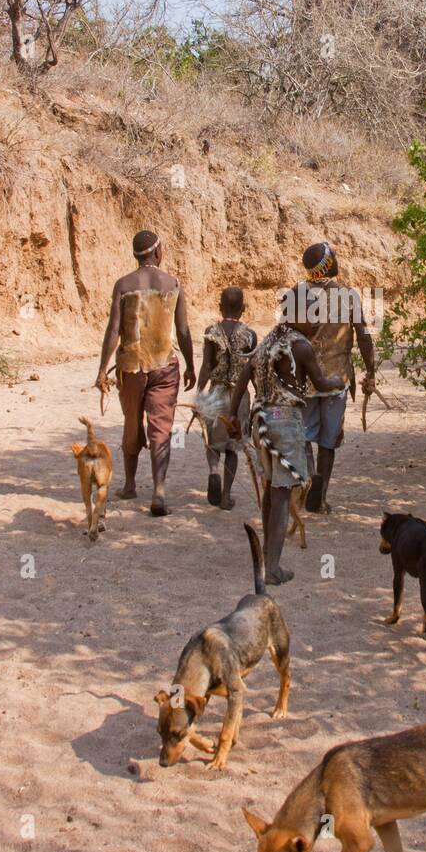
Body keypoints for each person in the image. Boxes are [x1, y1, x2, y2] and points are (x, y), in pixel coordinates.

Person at [228, 300, 342, 586]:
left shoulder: (269, 341)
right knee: (281, 494)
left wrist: (232, 415)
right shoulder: (301, 347)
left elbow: (243, 378)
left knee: (271, 488)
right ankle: (272, 568)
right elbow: (320, 383)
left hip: (261, 419)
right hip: (284, 422)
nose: (317, 321)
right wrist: (337, 381)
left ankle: (268, 557)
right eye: (312, 315)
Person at [94, 230, 195, 516]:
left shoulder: (123, 285)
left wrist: (102, 369)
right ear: (158, 252)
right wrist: (191, 365)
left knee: (132, 423)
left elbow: (114, 330)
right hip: (165, 365)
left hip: (131, 367)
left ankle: (129, 485)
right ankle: (159, 491)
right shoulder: (173, 284)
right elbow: (183, 331)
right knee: (161, 428)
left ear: (135, 255)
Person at [297, 240, 376, 513]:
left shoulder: (297, 294)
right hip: (336, 379)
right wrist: (371, 371)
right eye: (334, 256)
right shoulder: (348, 296)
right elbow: (364, 336)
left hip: (305, 380)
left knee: (304, 437)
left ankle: (309, 483)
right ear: (328, 264)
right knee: (327, 442)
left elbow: (285, 337)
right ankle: (320, 496)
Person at [196, 286, 257, 510]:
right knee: (232, 446)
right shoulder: (250, 335)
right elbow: (254, 370)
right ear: (243, 309)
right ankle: (226, 496)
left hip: (216, 393)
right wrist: (260, 395)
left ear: (220, 307)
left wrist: (199, 395)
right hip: (239, 397)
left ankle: (213, 471)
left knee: (213, 442)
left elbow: (206, 366)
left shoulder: (211, 331)